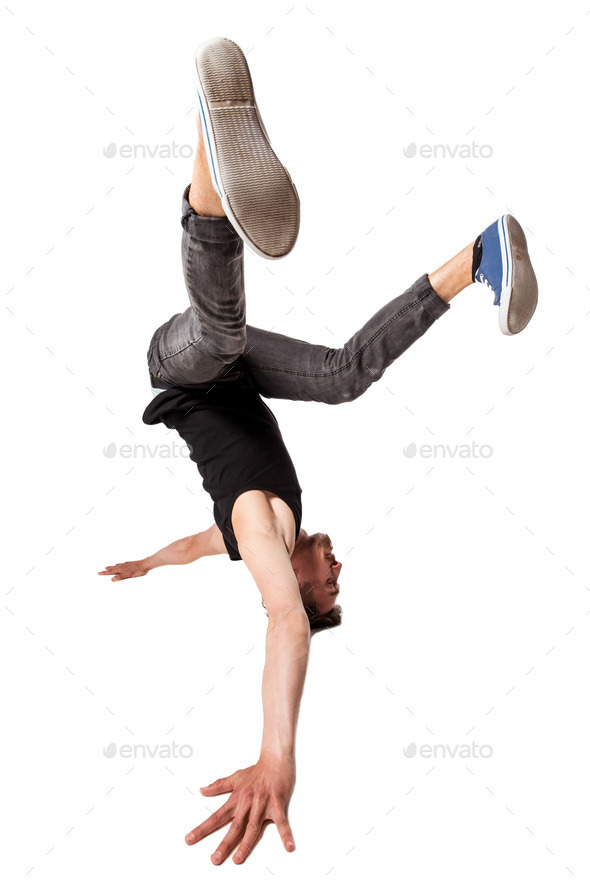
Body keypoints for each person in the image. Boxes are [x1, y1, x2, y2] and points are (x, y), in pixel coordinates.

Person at [98, 36, 538, 865]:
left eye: (322, 593)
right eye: (331, 589)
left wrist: (278, 755)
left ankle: (209, 148)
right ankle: (477, 255)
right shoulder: (250, 534)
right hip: (239, 375)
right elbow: (199, 549)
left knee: (217, 328)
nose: (335, 576)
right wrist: (149, 565)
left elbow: (279, 621)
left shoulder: (261, 530)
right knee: (341, 377)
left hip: (183, 366)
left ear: (294, 588)